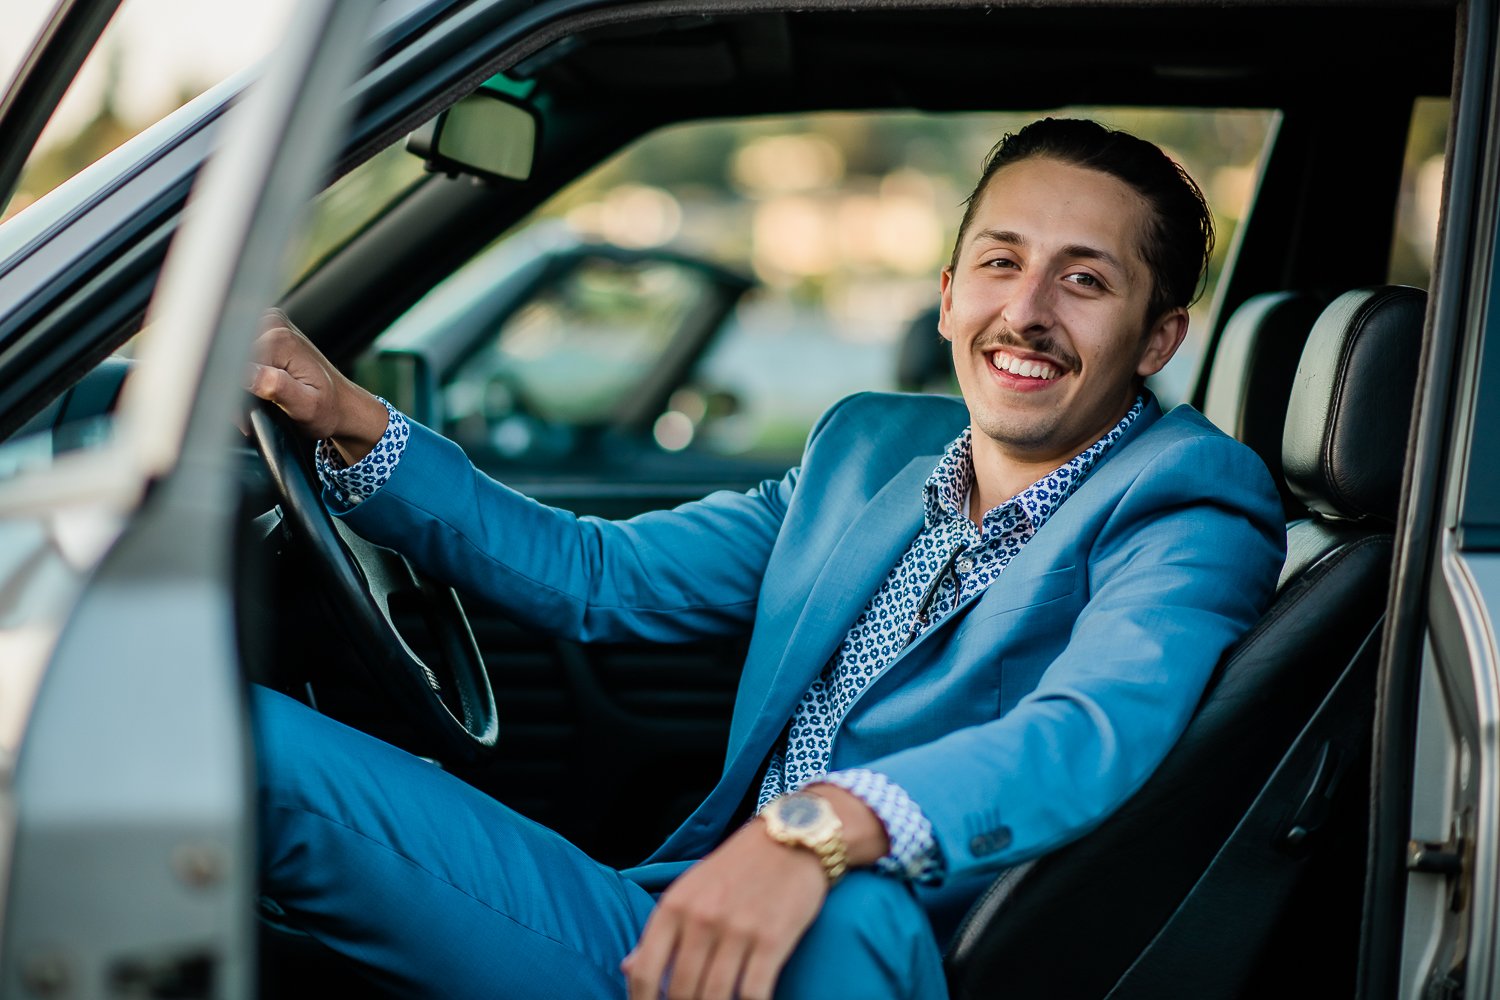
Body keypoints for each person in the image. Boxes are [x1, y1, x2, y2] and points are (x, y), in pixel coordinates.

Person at [249, 118, 1286, 999]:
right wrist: (349, 420)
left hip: (863, 950)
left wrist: (822, 828)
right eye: (1001, 262)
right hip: (678, 920)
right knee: (232, 735)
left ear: (1158, 340)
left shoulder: (1190, 497)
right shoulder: (868, 446)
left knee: (239, 751)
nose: (1026, 312)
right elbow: (602, 577)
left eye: (1086, 280)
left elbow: (1088, 728)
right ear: (947, 294)